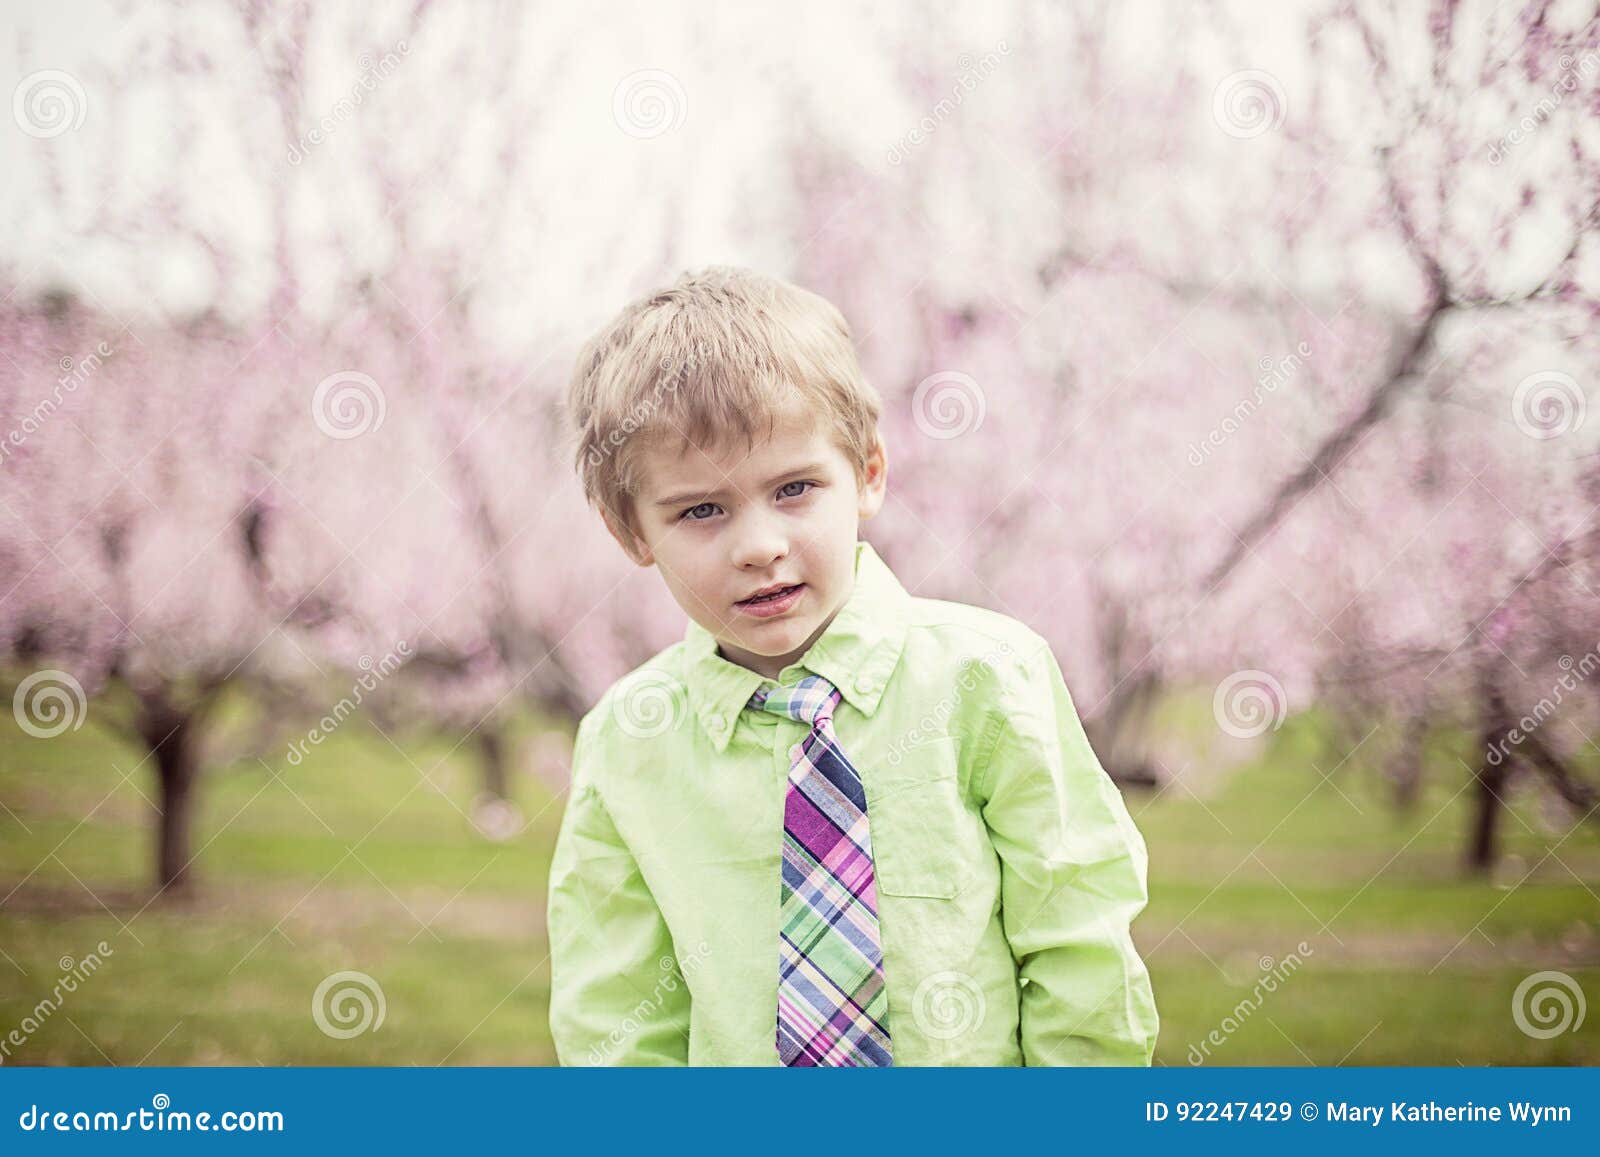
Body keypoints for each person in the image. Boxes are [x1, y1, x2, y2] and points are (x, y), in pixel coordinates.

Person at [547, 265, 1158, 1066]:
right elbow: (615, 1015)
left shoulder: (987, 677)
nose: (760, 545)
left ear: (868, 472)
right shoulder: (627, 739)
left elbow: (1078, 936)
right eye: (701, 509)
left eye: (795, 488)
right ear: (630, 530)